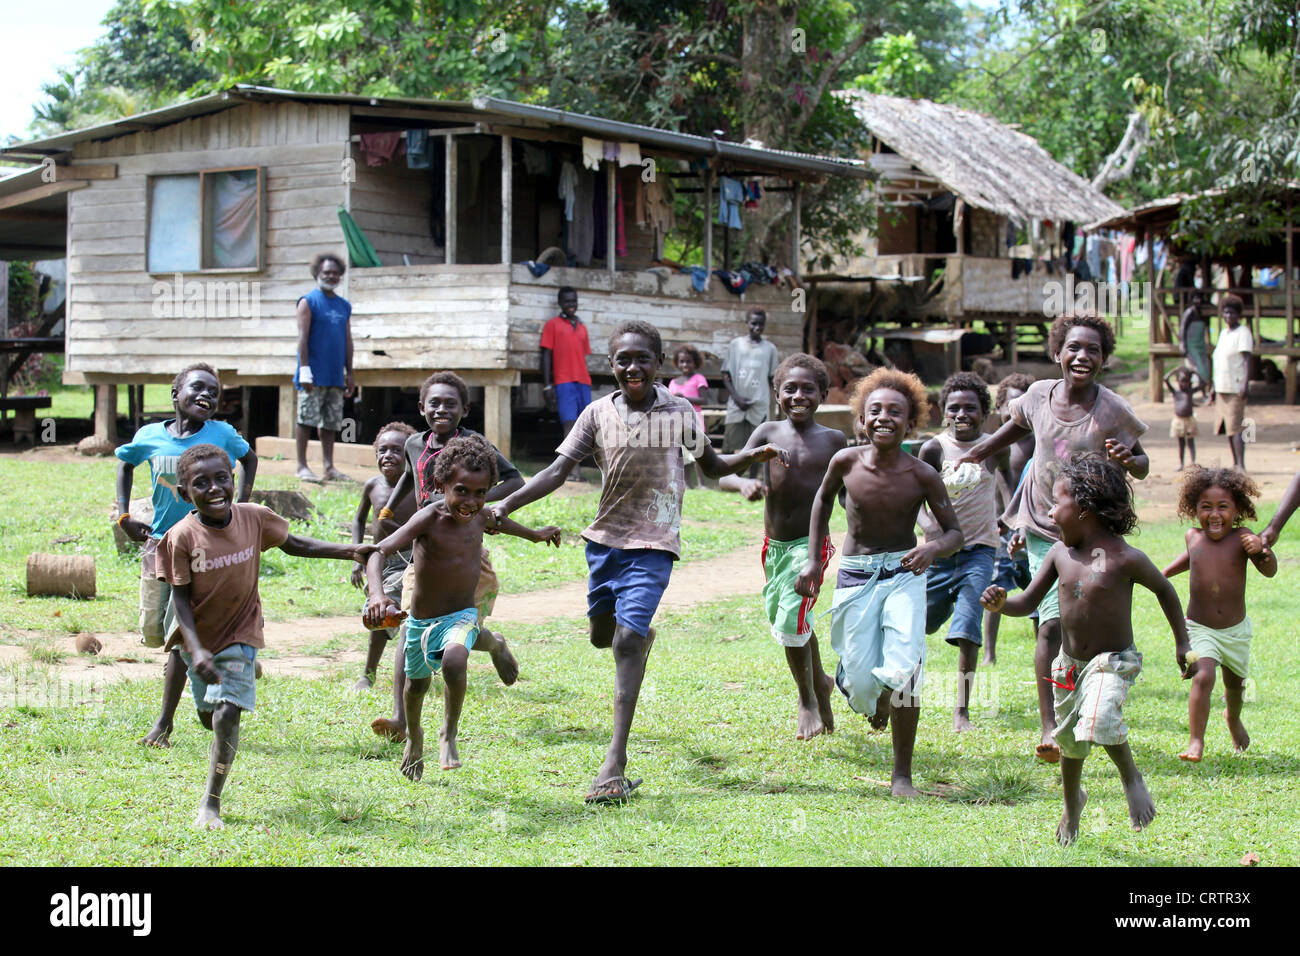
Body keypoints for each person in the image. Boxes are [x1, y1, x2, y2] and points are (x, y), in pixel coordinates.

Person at [489, 320, 787, 803]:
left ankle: (614, 763)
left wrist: (754, 455)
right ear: (611, 366)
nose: (632, 367)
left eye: (642, 359)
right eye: (623, 359)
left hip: (656, 539)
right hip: (605, 539)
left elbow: (710, 467)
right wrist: (507, 505)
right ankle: (637, 633)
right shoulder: (595, 414)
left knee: (625, 641)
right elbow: (558, 470)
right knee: (602, 636)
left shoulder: (678, 411)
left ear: (658, 363)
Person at [959, 314, 1149, 762]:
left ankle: (1095, 693)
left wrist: (1129, 458)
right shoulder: (1038, 395)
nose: (1083, 356)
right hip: (1045, 526)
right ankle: (1049, 726)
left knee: (1079, 621)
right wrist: (979, 450)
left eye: (1094, 350)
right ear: (1058, 353)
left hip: (1093, 528)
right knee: (1050, 623)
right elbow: (1019, 426)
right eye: (1075, 348)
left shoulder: (1112, 409)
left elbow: (1142, 463)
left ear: (1103, 360)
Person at [156, 444, 372, 829]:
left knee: (226, 715)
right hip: (199, 641)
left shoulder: (254, 518)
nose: (214, 489)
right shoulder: (180, 537)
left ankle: (211, 801)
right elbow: (180, 599)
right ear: (185, 493)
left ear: (234, 480)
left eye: (222, 478)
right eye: (200, 483)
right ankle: (236, 677)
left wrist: (351, 551)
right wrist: (198, 648)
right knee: (209, 719)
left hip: (241, 630)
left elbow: (296, 545)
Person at [981, 454, 1189, 846]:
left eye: (1056, 503)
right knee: (1071, 743)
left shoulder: (1126, 558)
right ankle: (1072, 804)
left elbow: (1165, 590)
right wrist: (999, 604)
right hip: (1070, 667)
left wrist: (1182, 642)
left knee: (1099, 719)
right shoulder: (1060, 555)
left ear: (1084, 509)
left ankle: (1132, 777)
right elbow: (1026, 603)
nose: (1049, 511)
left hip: (1113, 662)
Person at [797, 369, 963, 798]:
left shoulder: (922, 474)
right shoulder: (845, 462)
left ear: (911, 423)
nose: (884, 418)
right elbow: (820, 502)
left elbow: (954, 534)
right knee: (862, 680)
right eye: (875, 411)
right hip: (856, 573)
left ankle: (901, 776)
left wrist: (931, 549)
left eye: (896, 412)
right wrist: (815, 562)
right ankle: (873, 699)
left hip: (905, 573)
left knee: (906, 669)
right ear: (861, 420)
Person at [363, 434, 561, 778]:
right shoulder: (428, 518)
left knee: (455, 659)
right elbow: (378, 552)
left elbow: (502, 522)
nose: (471, 502)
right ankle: (415, 737)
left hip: (462, 614)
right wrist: (378, 595)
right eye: (462, 491)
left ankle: (448, 732)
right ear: (441, 484)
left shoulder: (481, 516)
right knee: (416, 687)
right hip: (422, 620)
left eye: (480, 493)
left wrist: (537, 534)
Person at [371, 371, 525, 742]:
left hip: (466, 549)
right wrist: (388, 513)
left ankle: (495, 644)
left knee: (462, 632)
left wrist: (474, 503)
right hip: (425, 546)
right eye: (434, 403)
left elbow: (515, 480)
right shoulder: (413, 443)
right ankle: (401, 720)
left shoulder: (474, 444)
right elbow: (410, 476)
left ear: (465, 409)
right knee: (410, 625)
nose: (442, 409)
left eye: (451, 403)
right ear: (422, 407)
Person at [115, 363, 258, 748]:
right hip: (161, 543)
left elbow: (250, 459)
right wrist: (124, 514)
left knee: (179, 631)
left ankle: (165, 722)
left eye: (214, 392)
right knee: (157, 633)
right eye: (197, 388)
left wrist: (239, 508)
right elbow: (125, 464)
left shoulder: (222, 434)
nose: (206, 396)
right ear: (175, 394)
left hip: (207, 549)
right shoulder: (149, 436)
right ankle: (230, 664)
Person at [741, 353, 846, 740]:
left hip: (812, 546)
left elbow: (847, 492)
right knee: (792, 619)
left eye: (808, 389)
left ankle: (806, 701)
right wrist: (746, 483)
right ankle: (820, 681)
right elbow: (726, 471)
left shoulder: (834, 440)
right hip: (775, 548)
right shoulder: (767, 432)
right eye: (790, 388)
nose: (798, 395)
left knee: (790, 619)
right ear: (776, 393)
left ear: (823, 394)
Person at [1163, 466, 1275, 761]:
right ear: (1194, 509)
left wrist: (1262, 549)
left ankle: (1233, 718)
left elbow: (1269, 571)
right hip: (1200, 628)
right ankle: (1195, 741)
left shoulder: (1242, 539)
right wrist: (1161, 575)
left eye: (1223, 507)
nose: (1214, 514)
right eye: (1206, 507)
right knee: (1203, 676)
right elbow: (1192, 559)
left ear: (1238, 509)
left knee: (1235, 686)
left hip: (1235, 630)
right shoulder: (1193, 537)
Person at [918, 373, 998, 732]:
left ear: (985, 412)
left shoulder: (994, 447)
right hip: (936, 555)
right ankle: (904, 694)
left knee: (968, 625)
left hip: (979, 551)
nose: (962, 414)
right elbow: (915, 498)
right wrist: (927, 526)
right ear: (942, 412)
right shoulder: (933, 449)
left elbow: (1008, 484)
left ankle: (961, 712)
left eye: (971, 408)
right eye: (955, 408)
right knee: (919, 625)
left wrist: (1013, 521)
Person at [349, 422, 417, 692]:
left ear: (411, 456)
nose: (388, 455)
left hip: (414, 558)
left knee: (400, 614)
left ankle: (408, 670)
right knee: (381, 614)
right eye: (383, 450)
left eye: (397, 450)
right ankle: (368, 673)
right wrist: (357, 557)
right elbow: (358, 521)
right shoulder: (372, 485)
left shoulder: (417, 487)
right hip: (382, 560)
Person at [983, 373, 1036, 666]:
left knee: (1037, 586)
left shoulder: (1040, 442)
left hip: (1034, 527)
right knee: (996, 586)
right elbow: (1000, 484)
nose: (1017, 409)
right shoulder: (999, 444)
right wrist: (1007, 517)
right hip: (1002, 526)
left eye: (1024, 403)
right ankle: (990, 653)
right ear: (1000, 406)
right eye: (1010, 403)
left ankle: (1044, 642)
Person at [295, 253, 355, 482]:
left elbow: (347, 340)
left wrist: (350, 372)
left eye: (334, 273)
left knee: (330, 422)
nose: (330, 276)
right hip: (313, 374)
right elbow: (302, 338)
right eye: (326, 272)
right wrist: (305, 370)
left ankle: (329, 467)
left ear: (340, 276)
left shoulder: (344, 306)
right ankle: (301, 466)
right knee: (306, 419)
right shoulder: (308, 302)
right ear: (317, 274)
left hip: (335, 375)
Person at [540, 286, 592, 481]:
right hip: (564, 381)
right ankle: (571, 471)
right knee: (570, 425)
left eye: (574, 301)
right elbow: (546, 355)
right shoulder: (552, 325)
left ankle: (577, 470)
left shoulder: (582, 327)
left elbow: (583, 356)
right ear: (560, 303)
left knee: (586, 425)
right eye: (567, 301)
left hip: (583, 382)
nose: (571, 305)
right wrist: (547, 385)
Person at [722, 308, 780, 479]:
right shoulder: (736, 345)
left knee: (758, 444)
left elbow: (772, 378)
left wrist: (777, 402)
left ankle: (753, 479)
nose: (757, 327)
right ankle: (726, 477)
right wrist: (736, 397)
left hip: (758, 404)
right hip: (737, 403)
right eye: (754, 323)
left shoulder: (770, 349)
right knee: (730, 442)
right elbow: (726, 374)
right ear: (747, 323)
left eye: (761, 324)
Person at [1210, 294, 1252, 470]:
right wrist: (1213, 386)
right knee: (1227, 426)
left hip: (1235, 387)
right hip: (1221, 385)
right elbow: (1219, 361)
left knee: (1236, 427)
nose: (1228, 316)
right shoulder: (1223, 333)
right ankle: (1234, 462)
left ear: (1238, 315)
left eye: (1232, 313)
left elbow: (1247, 360)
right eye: (1226, 313)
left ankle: (1241, 464)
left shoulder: (1243, 333)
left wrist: (1245, 384)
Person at [667, 344, 710, 488]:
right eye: (682, 361)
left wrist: (684, 398)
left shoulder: (699, 378)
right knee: (683, 453)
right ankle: (686, 483)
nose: (685, 364)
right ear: (677, 363)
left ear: (695, 362)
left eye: (689, 361)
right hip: (678, 421)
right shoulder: (673, 382)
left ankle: (701, 483)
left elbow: (704, 400)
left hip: (695, 419)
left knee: (697, 451)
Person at [1163, 366, 1203, 470]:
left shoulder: (1189, 392)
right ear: (1178, 381)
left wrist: (1195, 372)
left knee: (1190, 441)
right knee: (1181, 443)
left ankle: (1192, 462)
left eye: (1186, 381)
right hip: (1178, 420)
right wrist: (1174, 370)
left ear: (1189, 382)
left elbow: (1203, 383)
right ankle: (1181, 463)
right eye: (1182, 381)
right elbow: (1165, 379)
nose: (1184, 383)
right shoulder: (1176, 392)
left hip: (1189, 420)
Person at [1179, 291, 1212, 399]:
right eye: (1195, 298)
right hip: (1191, 345)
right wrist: (1183, 345)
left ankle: (1203, 393)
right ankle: (1191, 394)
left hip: (1200, 345)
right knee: (1194, 370)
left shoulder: (1202, 313)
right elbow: (1182, 329)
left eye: (1199, 298)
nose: (1197, 301)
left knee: (1205, 369)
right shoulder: (1189, 313)